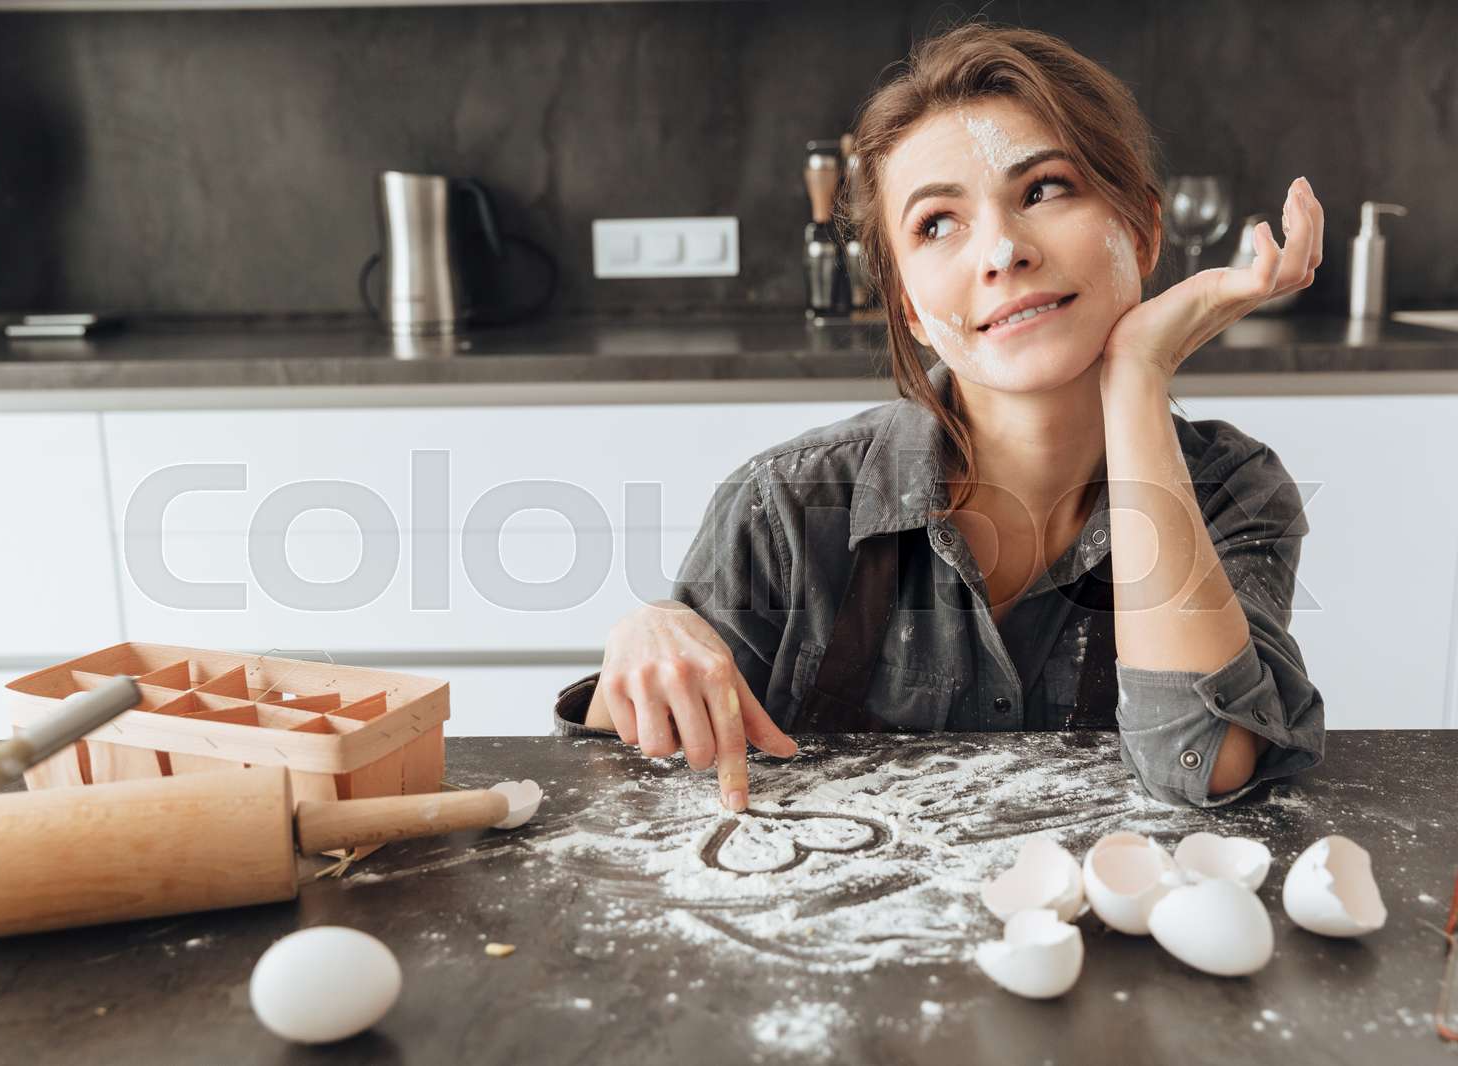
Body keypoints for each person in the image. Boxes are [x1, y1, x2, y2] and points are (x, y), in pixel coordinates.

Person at [552, 23, 1326, 815]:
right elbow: (632, 791)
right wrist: (644, 639)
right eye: (937, 224)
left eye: (1044, 189)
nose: (1001, 251)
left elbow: (1206, 763)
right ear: (910, 311)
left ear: (1140, 229)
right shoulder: (784, 508)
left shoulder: (1234, 490)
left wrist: (1136, 376)